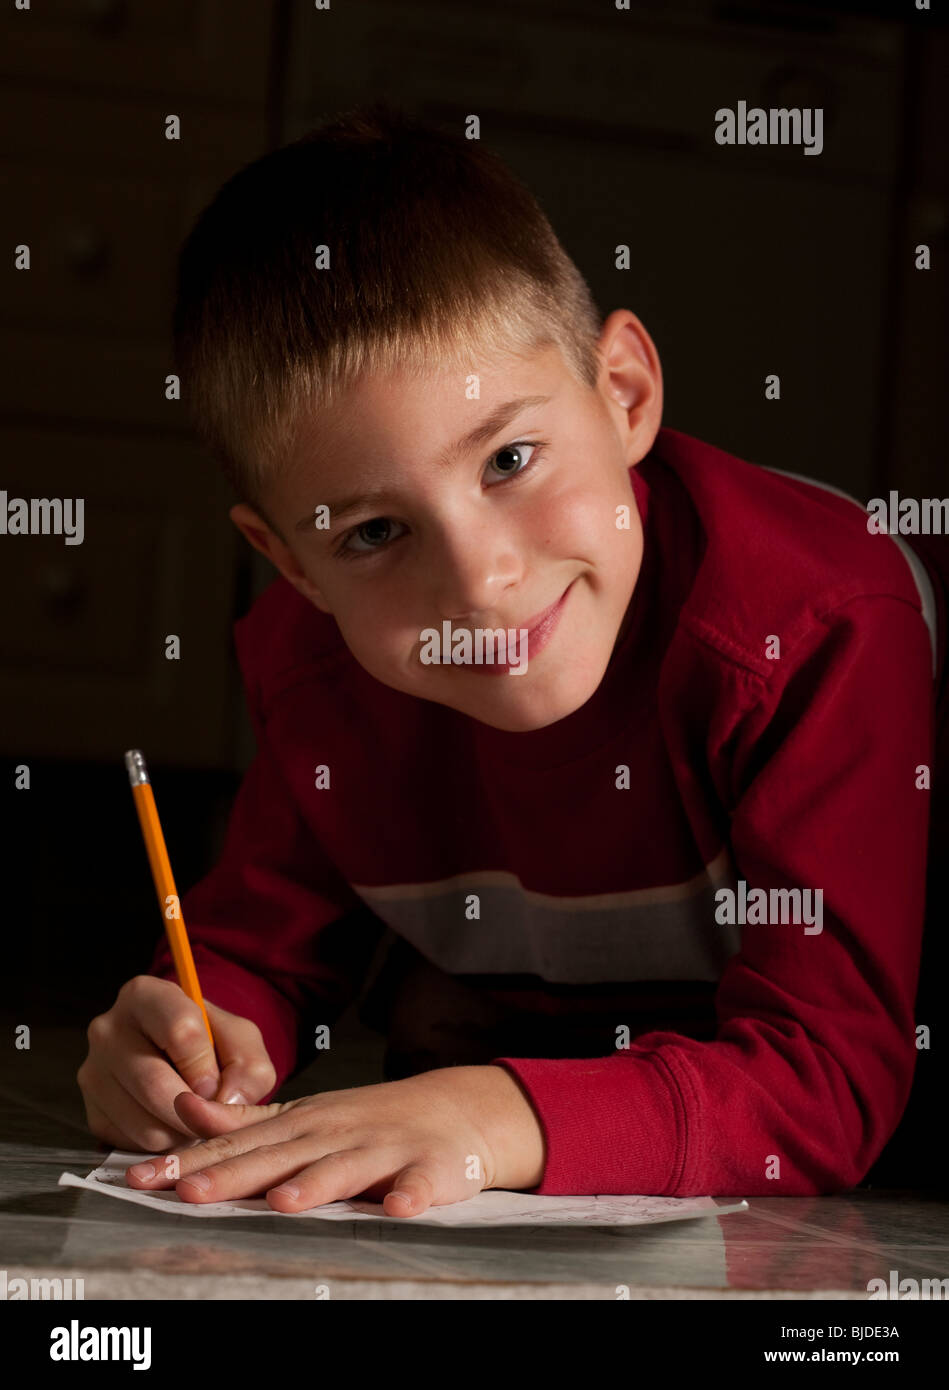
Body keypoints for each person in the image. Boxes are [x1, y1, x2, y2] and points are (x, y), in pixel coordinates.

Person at [77, 103, 947, 1215]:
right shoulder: (315, 668)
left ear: (624, 394)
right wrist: (184, 1038)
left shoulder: (818, 624)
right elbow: (265, 946)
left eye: (510, 458)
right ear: (290, 563)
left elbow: (827, 1081)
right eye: (373, 534)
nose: (479, 579)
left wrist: (488, 1117)